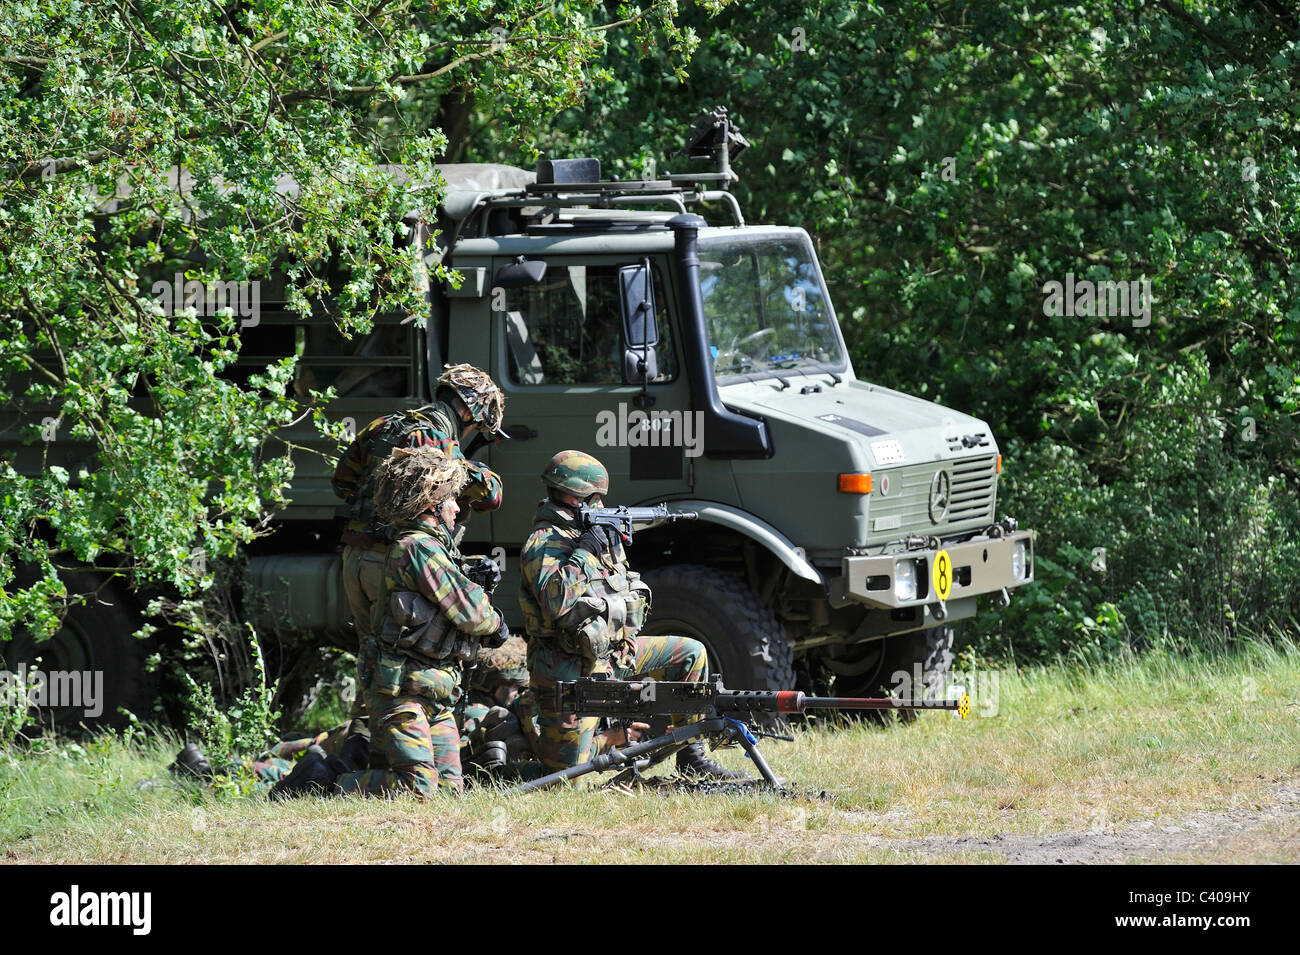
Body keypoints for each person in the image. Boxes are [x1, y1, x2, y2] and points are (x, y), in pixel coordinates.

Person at [277, 445, 509, 798]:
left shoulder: (431, 548)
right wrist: (495, 624)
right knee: (418, 789)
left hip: (436, 690)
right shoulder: (417, 547)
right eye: (452, 500)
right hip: (403, 690)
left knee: (449, 793)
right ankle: (322, 784)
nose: (458, 508)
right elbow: (473, 614)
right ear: (433, 504)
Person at [518, 450, 743, 779]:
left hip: (615, 656)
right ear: (574, 494)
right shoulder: (544, 544)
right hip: (568, 672)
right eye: (594, 497)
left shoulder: (593, 536)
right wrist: (585, 552)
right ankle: (540, 749)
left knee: (691, 653)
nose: (599, 504)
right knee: (566, 780)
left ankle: (692, 756)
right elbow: (556, 605)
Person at [330, 363, 505, 746]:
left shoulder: (382, 425)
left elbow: (342, 481)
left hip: (355, 558)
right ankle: (400, 759)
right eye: (477, 427)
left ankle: (361, 750)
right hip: (395, 562)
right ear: (469, 413)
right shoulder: (437, 440)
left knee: (372, 658)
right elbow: (491, 496)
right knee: (404, 666)